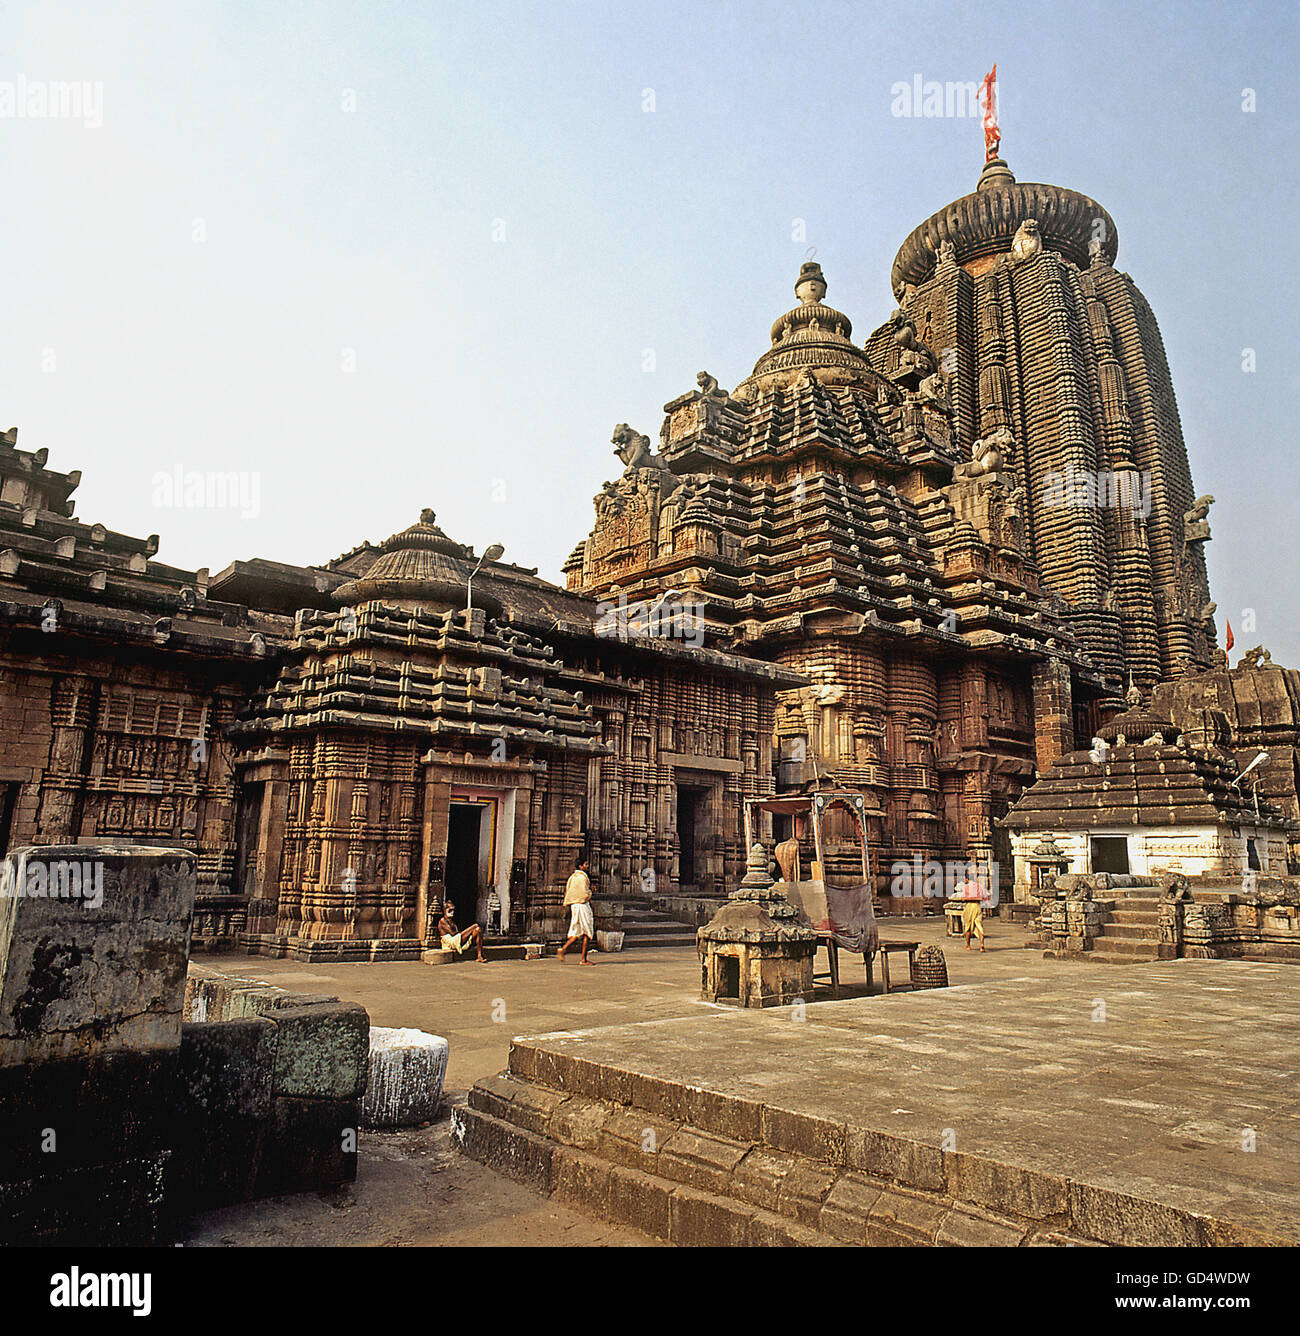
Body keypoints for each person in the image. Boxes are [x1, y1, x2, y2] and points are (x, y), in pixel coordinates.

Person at [558, 855, 595, 964]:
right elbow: (583, 894)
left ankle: (563, 949)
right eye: (586, 864)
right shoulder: (582, 878)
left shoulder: (572, 877)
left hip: (574, 905)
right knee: (587, 932)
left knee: (577, 931)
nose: (588, 866)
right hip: (582, 905)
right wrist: (590, 893)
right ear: (581, 866)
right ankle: (583, 959)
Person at [956, 866, 990, 952]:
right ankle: (982, 945)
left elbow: (964, 898)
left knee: (967, 926)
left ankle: (968, 945)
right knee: (979, 925)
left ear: (967, 879)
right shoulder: (979, 886)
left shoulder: (966, 887)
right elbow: (987, 896)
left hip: (969, 906)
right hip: (977, 906)